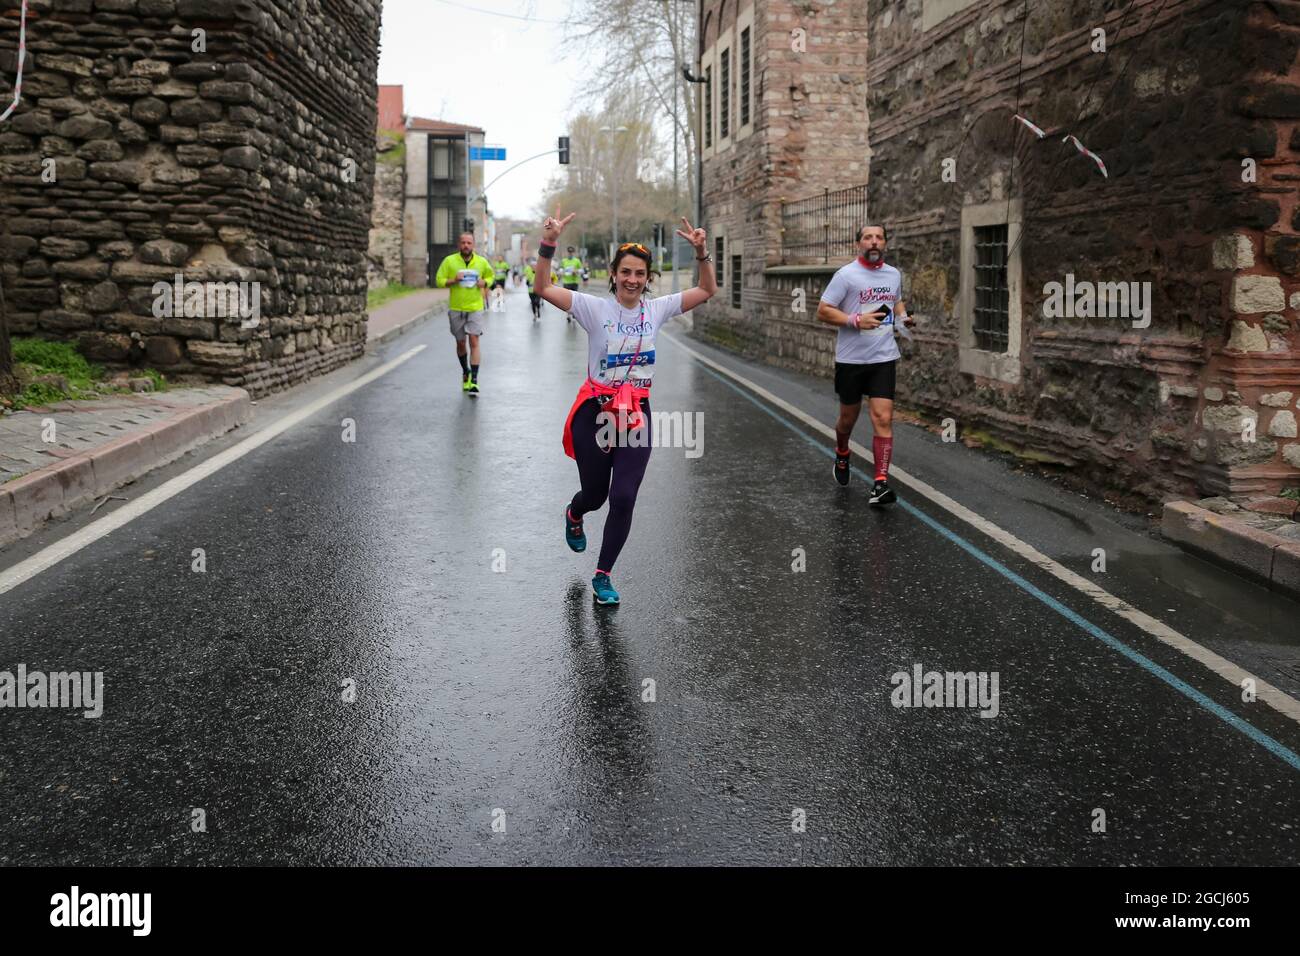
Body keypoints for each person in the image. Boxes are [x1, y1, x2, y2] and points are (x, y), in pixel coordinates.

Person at [536, 210, 716, 605]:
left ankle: (603, 575)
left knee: (624, 498)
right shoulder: (592, 308)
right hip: (596, 415)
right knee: (596, 496)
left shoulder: (657, 310)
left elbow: (706, 291)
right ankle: (574, 512)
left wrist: (702, 252)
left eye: (640, 274)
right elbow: (544, 287)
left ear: (648, 279)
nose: (633, 280)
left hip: (636, 416)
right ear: (614, 275)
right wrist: (548, 243)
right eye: (626, 272)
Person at [815, 224, 914, 504]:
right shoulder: (845, 276)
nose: (874, 242)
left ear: (885, 244)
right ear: (859, 243)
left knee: (883, 418)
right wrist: (855, 320)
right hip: (851, 360)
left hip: (883, 358)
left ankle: (880, 484)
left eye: (879, 238)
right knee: (847, 420)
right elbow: (823, 311)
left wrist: (904, 319)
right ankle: (843, 452)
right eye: (868, 238)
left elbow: (895, 302)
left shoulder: (893, 274)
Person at [434, 231, 496, 395]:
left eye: (469, 243)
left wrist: (485, 282)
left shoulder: (481, 262)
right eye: (463, 242)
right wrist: (454, 280)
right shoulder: (450, 261)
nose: (466, 245)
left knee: (474, 341)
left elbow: (490, 277)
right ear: (459, 244)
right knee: (461, 343)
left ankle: (474, 380)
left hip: (475, 308)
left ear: (473, 245)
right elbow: (439, 281)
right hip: (456, 308)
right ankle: (465, 371)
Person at [557, 246, 584, 322]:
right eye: (569, 252)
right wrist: (561, 272)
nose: (570, 254)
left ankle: (574, 313)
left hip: (574, 282)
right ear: (567, 253)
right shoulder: (564, 261)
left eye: (571, 252)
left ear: (573, 253)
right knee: (567, 299)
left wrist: (577, 271)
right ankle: (568, 315)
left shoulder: (577, 261)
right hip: (566, 282)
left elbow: (582, 270)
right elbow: (560, 269)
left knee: (574, 299)